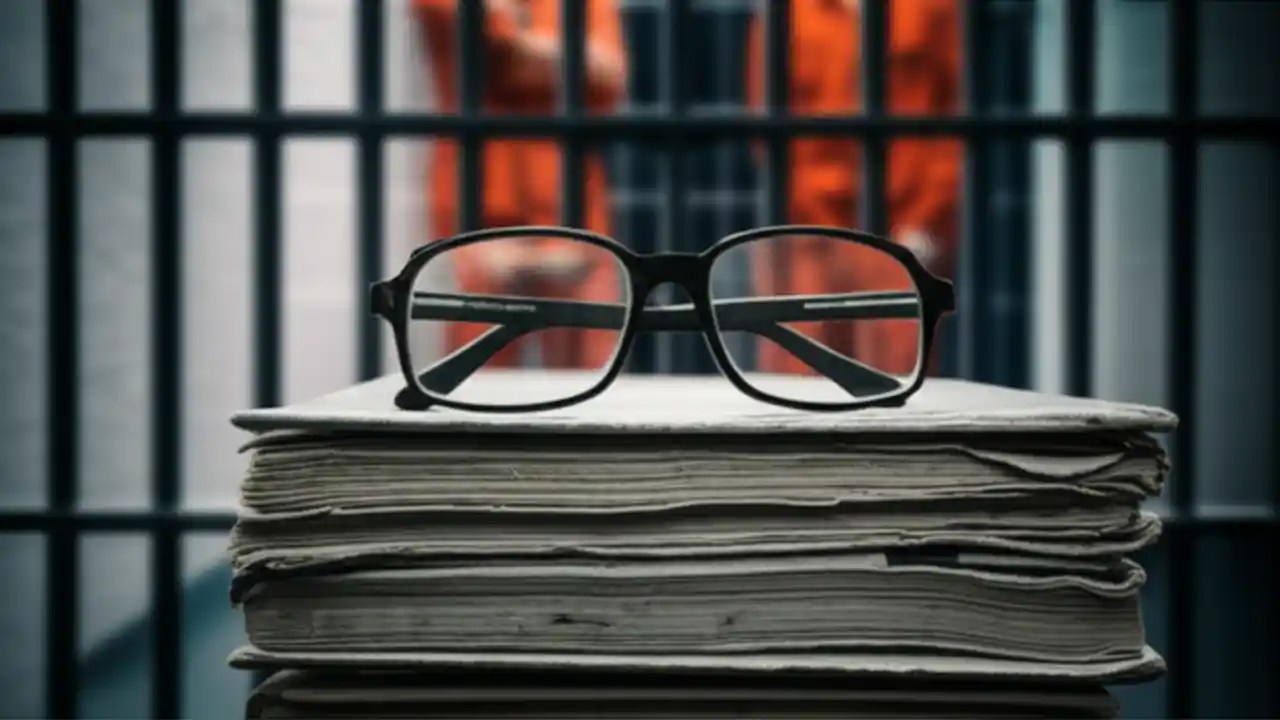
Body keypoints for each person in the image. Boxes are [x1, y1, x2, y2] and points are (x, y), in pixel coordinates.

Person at [746, 0, 961, 377]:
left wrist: (928, 218)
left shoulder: (932, 8)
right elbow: (766, 124)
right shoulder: (789, 12)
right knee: (797, 376)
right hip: (808, 225)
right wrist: (804, 216)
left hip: (902, 225)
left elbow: (955, 118)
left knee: (894, 381)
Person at [412, 0, 627, 368]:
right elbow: (505, 53)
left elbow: (609, 77)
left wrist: (526, 41)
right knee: (476, 386)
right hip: (481, 211)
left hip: (571, 210)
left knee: (588, 385)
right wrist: (568, 60)